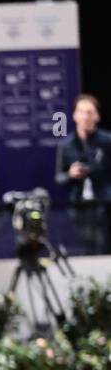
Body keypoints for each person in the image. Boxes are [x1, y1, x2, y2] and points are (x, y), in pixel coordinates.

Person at [55, 94, 111, 255]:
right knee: (84, 249)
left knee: (104, 248)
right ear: (74, 115)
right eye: (81, 112)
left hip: (105, 204)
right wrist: (71, 174)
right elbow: (59, 177)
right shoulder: (66, 145)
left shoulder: (107, 141)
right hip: (78, 207)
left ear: (97, 116)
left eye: (90, 112)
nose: (85, 116)